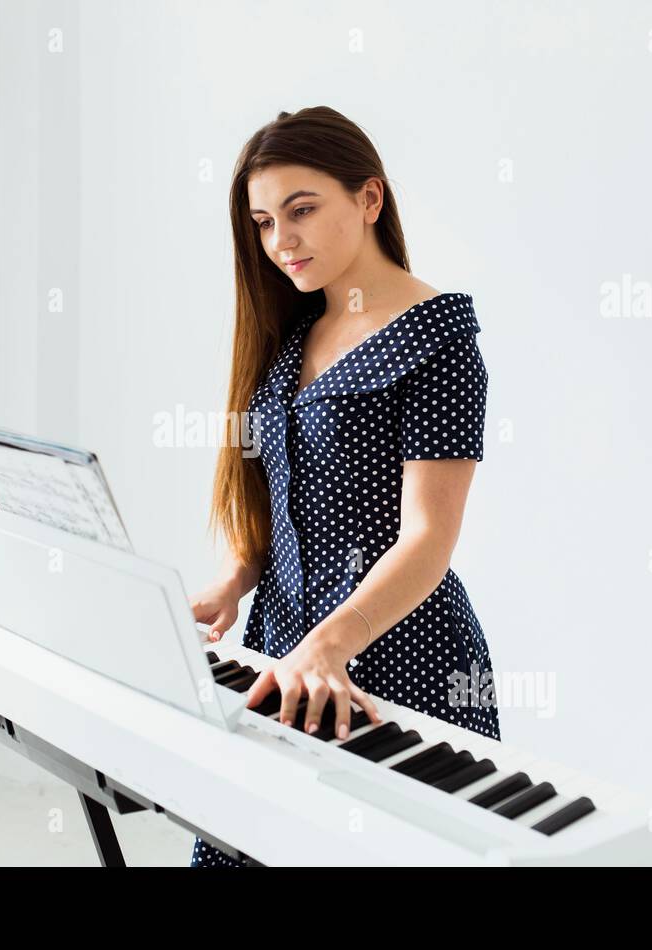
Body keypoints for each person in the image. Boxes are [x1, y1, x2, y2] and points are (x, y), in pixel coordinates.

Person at [189, 106, 500, 867]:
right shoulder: (293, 331)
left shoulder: (441, 344)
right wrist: (235, 577)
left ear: (369, 200)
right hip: (282, 646)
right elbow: (282, 490)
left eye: (302, 211)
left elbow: (429, 536)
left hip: (398, 656)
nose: (280, 241)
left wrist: (330, 646)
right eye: (263, 222)